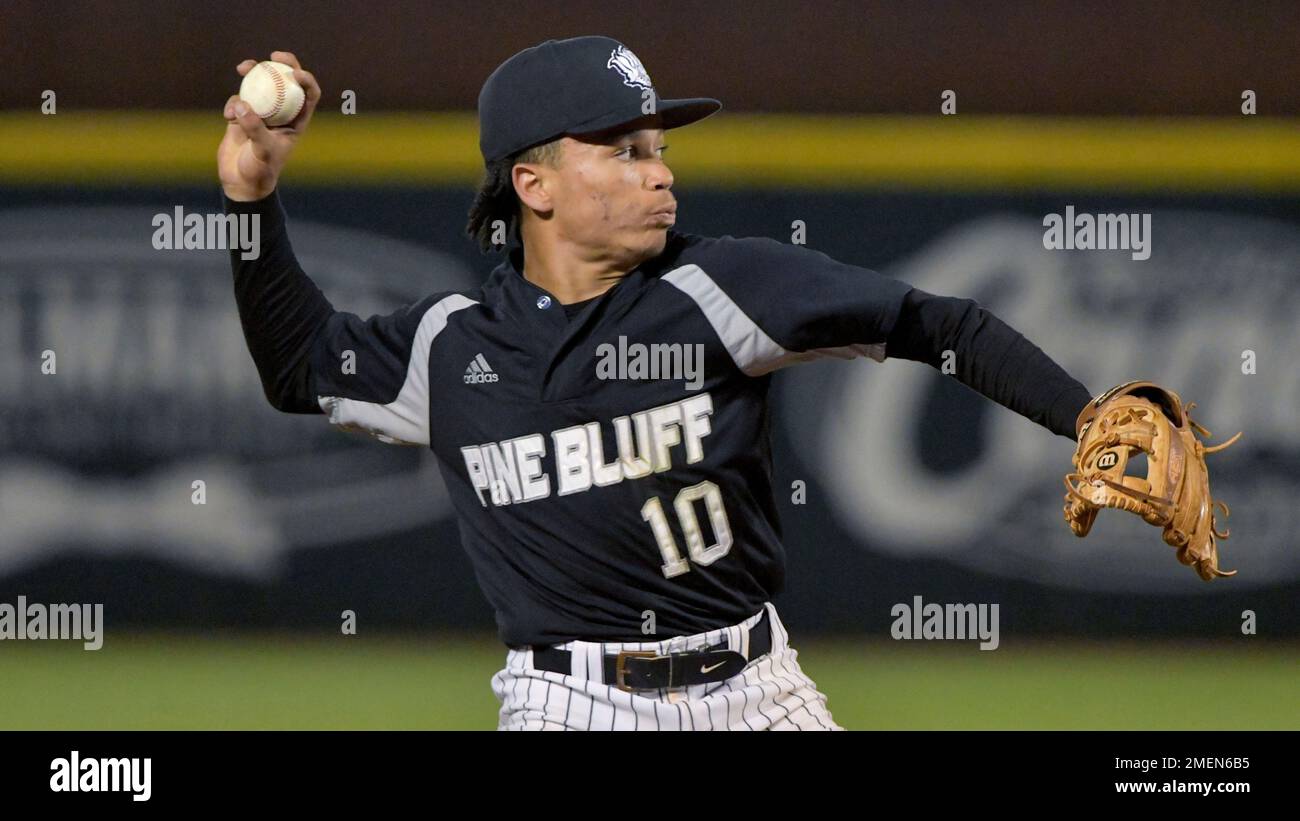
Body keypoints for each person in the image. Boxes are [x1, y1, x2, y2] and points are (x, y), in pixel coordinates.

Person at [219, 38, 1091, 730]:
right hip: (568, 703)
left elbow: (942, 325)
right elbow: (301, 366)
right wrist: (252, 200)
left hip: (756, 689)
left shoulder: (723, 288)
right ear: (534, 183)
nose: (661, 171)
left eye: (660, 148)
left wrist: (1087, 416)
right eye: (626, 150)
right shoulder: (451, 347)